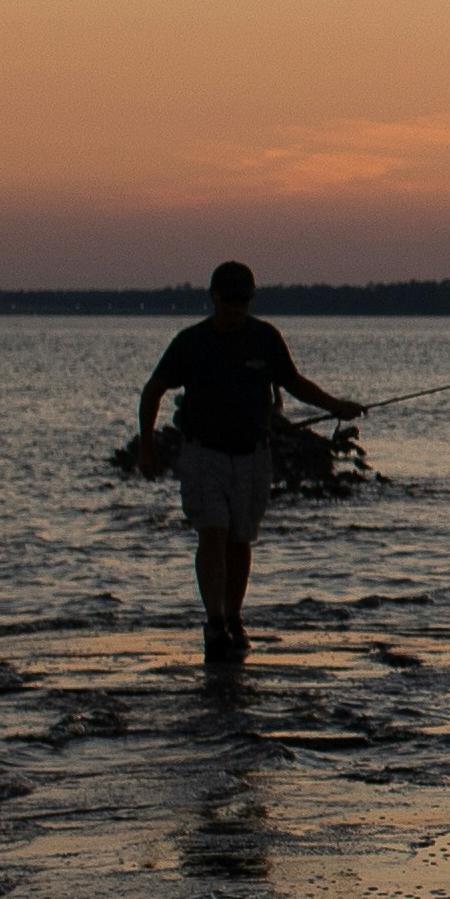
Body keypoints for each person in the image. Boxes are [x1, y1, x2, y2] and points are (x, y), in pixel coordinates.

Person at [134, 262, 362, 688]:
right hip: (204, 454)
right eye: (230, 299)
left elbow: (293, 383)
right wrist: (147, 447)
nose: (237, 307)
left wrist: (336, 405)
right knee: (213, 533)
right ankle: (215, 621)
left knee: (240, 539)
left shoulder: (265, 337)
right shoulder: (191, 342)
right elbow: (153, 391)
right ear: (214, 297)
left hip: (254, 456)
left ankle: (234, 616)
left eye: (244, 300)